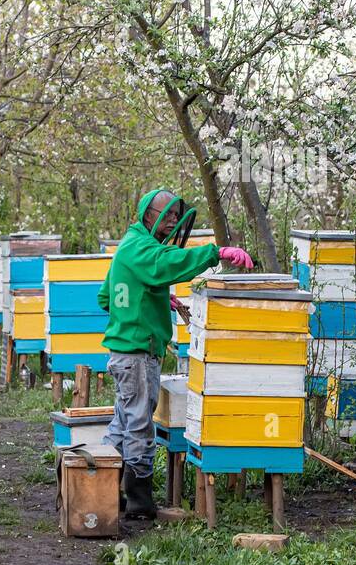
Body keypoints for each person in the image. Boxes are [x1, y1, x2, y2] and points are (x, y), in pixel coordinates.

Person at [98, 188, 253, 519]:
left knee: (124, 421)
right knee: (139, 423)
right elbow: (168, 263)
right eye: (167, 216)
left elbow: (105, 296)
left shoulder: (131, 245)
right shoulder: (142, 248)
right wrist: (216, 252)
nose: (172, 222)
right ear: (149, 216)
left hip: (127, 352)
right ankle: (138, 500)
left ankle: (98, 486)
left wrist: (152, 297)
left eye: (174, 217)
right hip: (137, 354)